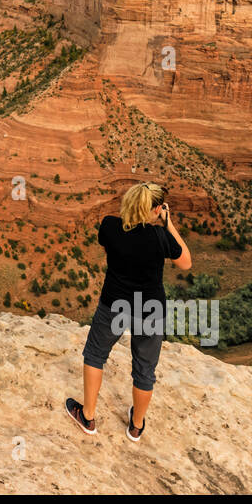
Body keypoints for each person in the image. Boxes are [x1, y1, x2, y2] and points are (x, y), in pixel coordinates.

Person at [65, 182, 192, 441]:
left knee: (95, 354)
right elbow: (186, 263)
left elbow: (114, 248)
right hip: (150, 309)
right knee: (145, 369)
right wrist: (167, 222)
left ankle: (88, 417)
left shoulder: (110, 226)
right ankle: (136, 425)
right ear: (157, 208)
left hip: (115, 303)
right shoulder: (160, 236)